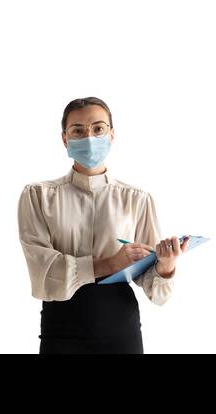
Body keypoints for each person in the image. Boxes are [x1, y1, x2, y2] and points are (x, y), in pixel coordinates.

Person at [18, 97, 187, 354]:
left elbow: (157, 291)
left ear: (111, 134)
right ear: (64, 138)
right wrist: (109, 263)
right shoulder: (39, 196)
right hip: (61, 328)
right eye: (78, 130)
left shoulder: (136, 199)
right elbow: (42, 268)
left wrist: (166, 265)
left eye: (98, 128)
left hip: (120, 328)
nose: (89, 137)